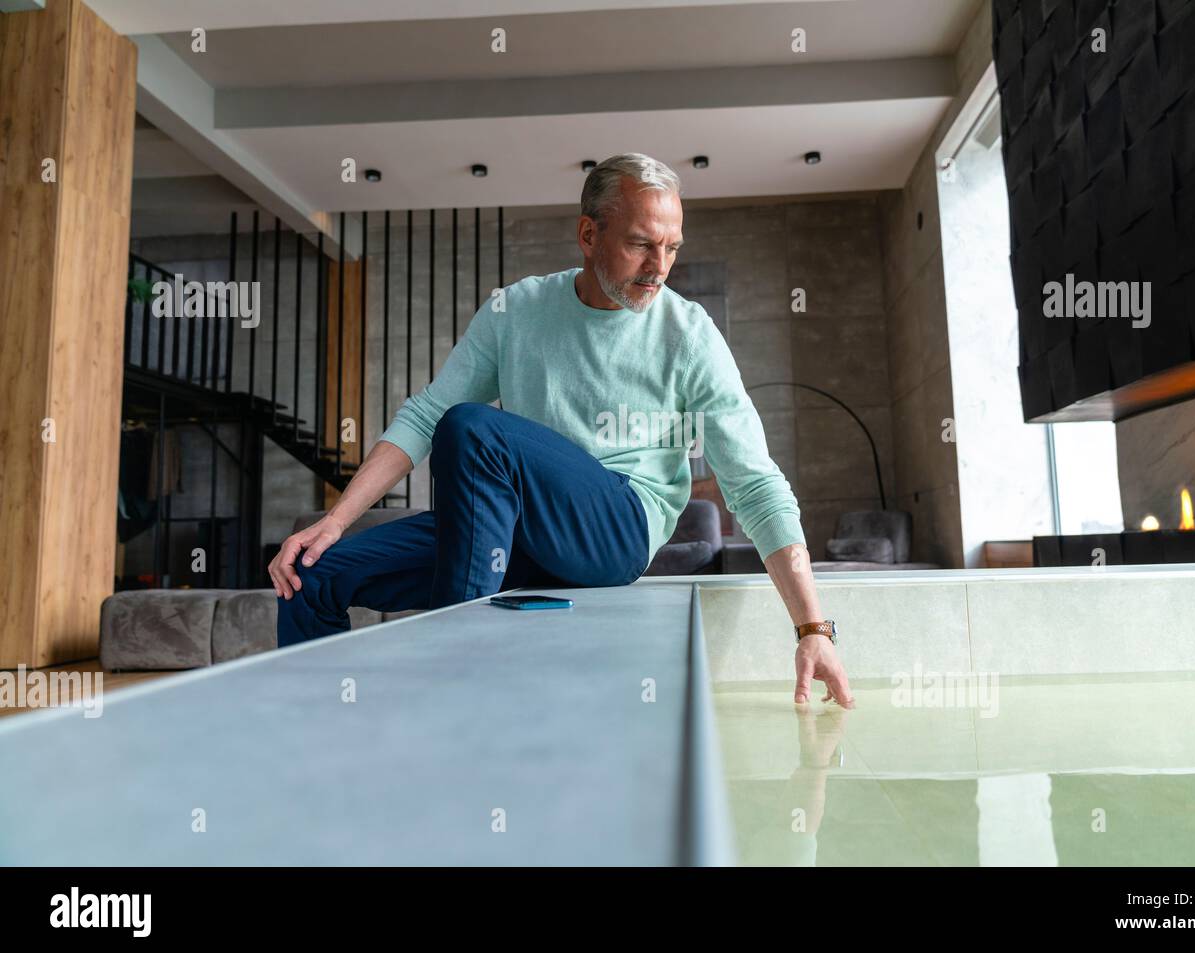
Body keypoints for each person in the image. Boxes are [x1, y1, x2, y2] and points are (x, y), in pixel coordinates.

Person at [269, 153, 854, 707]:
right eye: (641, 245)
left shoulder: (689, 333)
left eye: (672, 248)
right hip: (512, 530)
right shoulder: (517, 309)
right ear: (589, 235)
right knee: (312, 575)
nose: (659, 268)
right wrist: (333, 523)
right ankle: (321, 743)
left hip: (614, 529)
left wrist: (812, 626)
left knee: (473, 429)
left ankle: (454, 684)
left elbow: (752, 482)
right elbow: (424, 414)